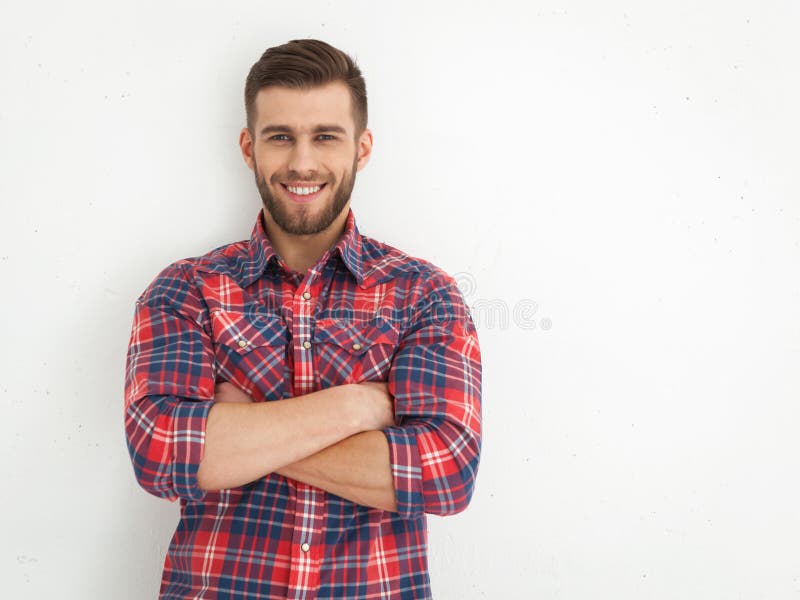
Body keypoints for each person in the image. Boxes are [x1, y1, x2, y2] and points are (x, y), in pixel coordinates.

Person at [123, 38, 483, 599]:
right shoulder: (185, 290)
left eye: (325, 137)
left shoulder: (423, 294)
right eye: (281, 137)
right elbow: (163, 454)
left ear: (362, 149)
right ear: (249, 146)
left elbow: (446, 474)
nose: (302, 162)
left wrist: (241, 433)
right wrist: (356, 407)